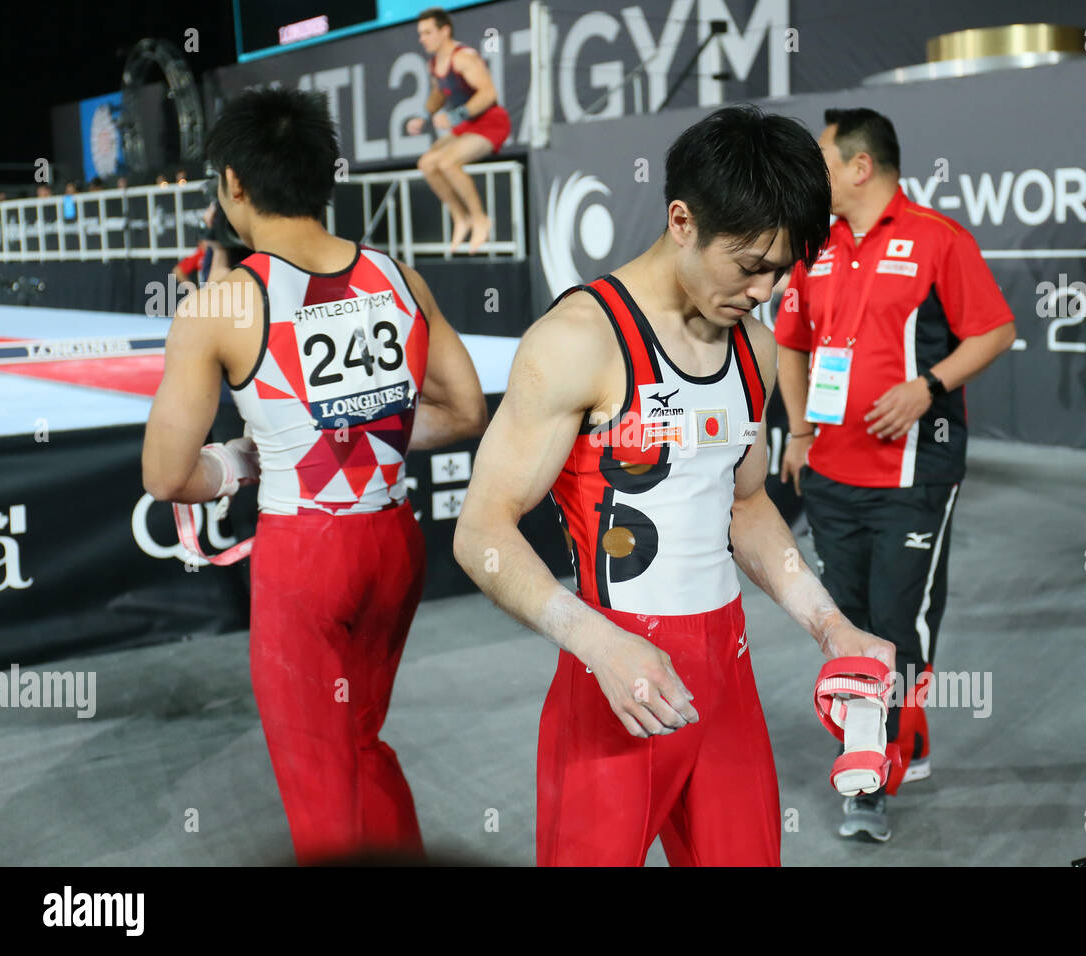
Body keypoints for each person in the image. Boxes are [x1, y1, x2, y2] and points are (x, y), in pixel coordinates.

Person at [453, 105, 896, 867]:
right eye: (749, 264)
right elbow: (481, 531)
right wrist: (597, 643)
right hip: (614, 673)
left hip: (726, 671)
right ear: (682, 220)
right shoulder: (575, 342)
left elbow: (746, 505)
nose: (765, 289)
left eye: (782, 268)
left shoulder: (753, 350)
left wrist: (830, 625)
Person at [141, 87, 489, 865]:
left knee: (318, 773)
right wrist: (363, 437)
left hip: (307, 558)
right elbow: (466, 411)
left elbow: (165, 475)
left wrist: (245, 462)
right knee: (362, 740)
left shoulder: (220, 305)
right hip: (394, 547)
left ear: (232, 184)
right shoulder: (397, 275)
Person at [776, 108, 1016, 843]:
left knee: (898, 620)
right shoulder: (810, 248)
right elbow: (792, 343)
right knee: (847, 621)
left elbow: (996, 330)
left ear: (860, 166)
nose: (809, 175)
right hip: (830, 474)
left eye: (820, 160)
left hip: (915, 474)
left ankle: (868, 773)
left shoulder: (940, 240)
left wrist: (928, 388)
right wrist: (800, 428)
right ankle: (897, 737)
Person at [405, 7, 511, 255]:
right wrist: (423, 116)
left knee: (447, 162)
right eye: (420, 34)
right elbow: (439, 94)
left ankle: (480, 218)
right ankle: (461, 218)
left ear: (445, 31)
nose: (422, 39)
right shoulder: (433, 63)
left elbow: (488, 93)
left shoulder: (463, 58)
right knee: (426, 164)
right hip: (468, 125)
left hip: (492, 122)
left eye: (428, 33)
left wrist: (455, 116)